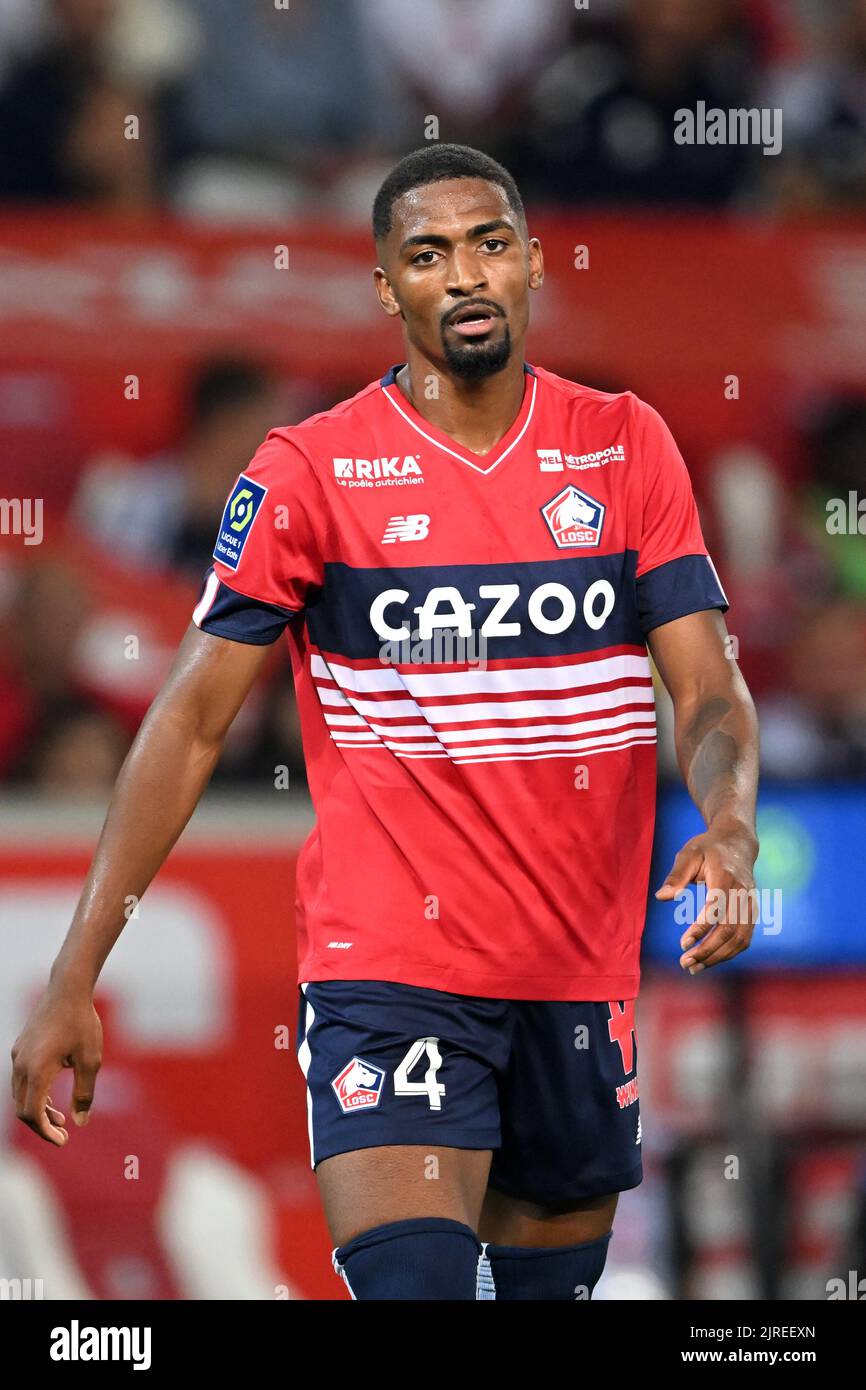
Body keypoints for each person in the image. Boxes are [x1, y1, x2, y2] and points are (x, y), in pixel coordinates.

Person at [11, 143, 760, 1301]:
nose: (463, 276)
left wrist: (728, 822)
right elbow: (189, 722)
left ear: (532, 265)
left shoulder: (623, 447)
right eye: (427, 254)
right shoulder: (309, 470)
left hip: (576, 982)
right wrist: (75, 972)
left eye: (488, 244)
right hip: (389, 976)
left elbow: (705, 688)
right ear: (384, 287)